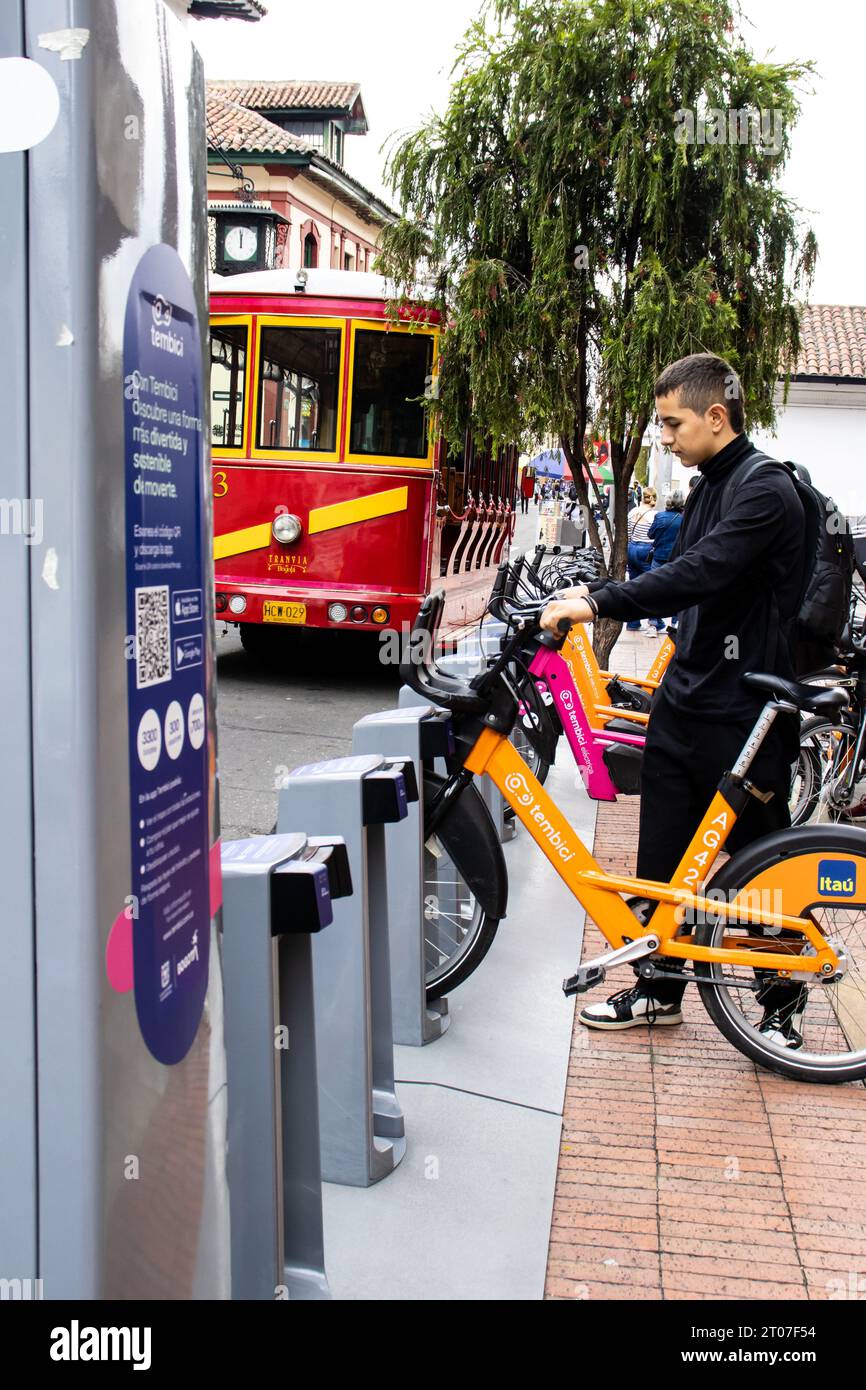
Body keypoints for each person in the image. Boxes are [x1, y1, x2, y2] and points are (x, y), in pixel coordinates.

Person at [541, 352, 807, 1046]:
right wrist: (590, 580)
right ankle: (659, 990)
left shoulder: (762, 490)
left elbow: (702, 571)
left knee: (761, 867)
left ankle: (780, 1008)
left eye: (672, 423)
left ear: (715, 417)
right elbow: (677, 568)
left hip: (744, 711)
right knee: (661, 859)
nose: (664, 437)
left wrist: (598, 599)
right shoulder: (712, 483)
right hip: (689, 699)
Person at [625, 487, 664, 636]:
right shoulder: (656, 515)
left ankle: (633, 621)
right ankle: (653, 623)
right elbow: (655, 536)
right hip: (647, 551)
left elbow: (628, 534)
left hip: (632, 548)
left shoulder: (632, 512)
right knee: (652, 586)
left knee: (634, 586)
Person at [647, 489, 685, 627]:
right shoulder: (684, 518)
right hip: (677, 559)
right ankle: (675, 622)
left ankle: (653, 623)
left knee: (654, 589)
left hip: (659, 557)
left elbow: (650, 534)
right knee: (677, 590)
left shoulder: (660, 516)